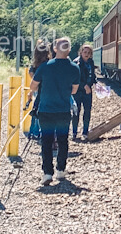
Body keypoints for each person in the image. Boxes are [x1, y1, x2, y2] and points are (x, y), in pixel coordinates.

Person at [30, 37, 79, 185]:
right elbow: (74, 91)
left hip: (46, 110)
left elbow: (33, 86)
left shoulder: (45, 67)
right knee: (63, 141)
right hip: (63, 110)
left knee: (46, 141)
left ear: (55, 49)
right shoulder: (74, 68)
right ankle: (61, 170)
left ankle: (47, 173)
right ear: (69, 50)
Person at [26, 44, 51, 140]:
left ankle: (33, 132)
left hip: (37, 88)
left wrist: (34, 89)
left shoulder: (34, 65)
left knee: (36, 111)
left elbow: (31, 75)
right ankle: (40, 132)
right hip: (46, 89)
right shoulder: (50, 63)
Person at [72, 43, 97, 141]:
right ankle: (74, 132)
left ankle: (85, 132)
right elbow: (75, 77)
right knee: (76, 112)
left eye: (89, 52)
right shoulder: (76, 63)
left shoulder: (90, 62)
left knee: (87, 111)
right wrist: (84, 85)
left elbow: (92, 76)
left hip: (88, 91)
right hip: (78, 91)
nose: (86, 54)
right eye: (85, 52)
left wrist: (96, 83)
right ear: (81, 52)